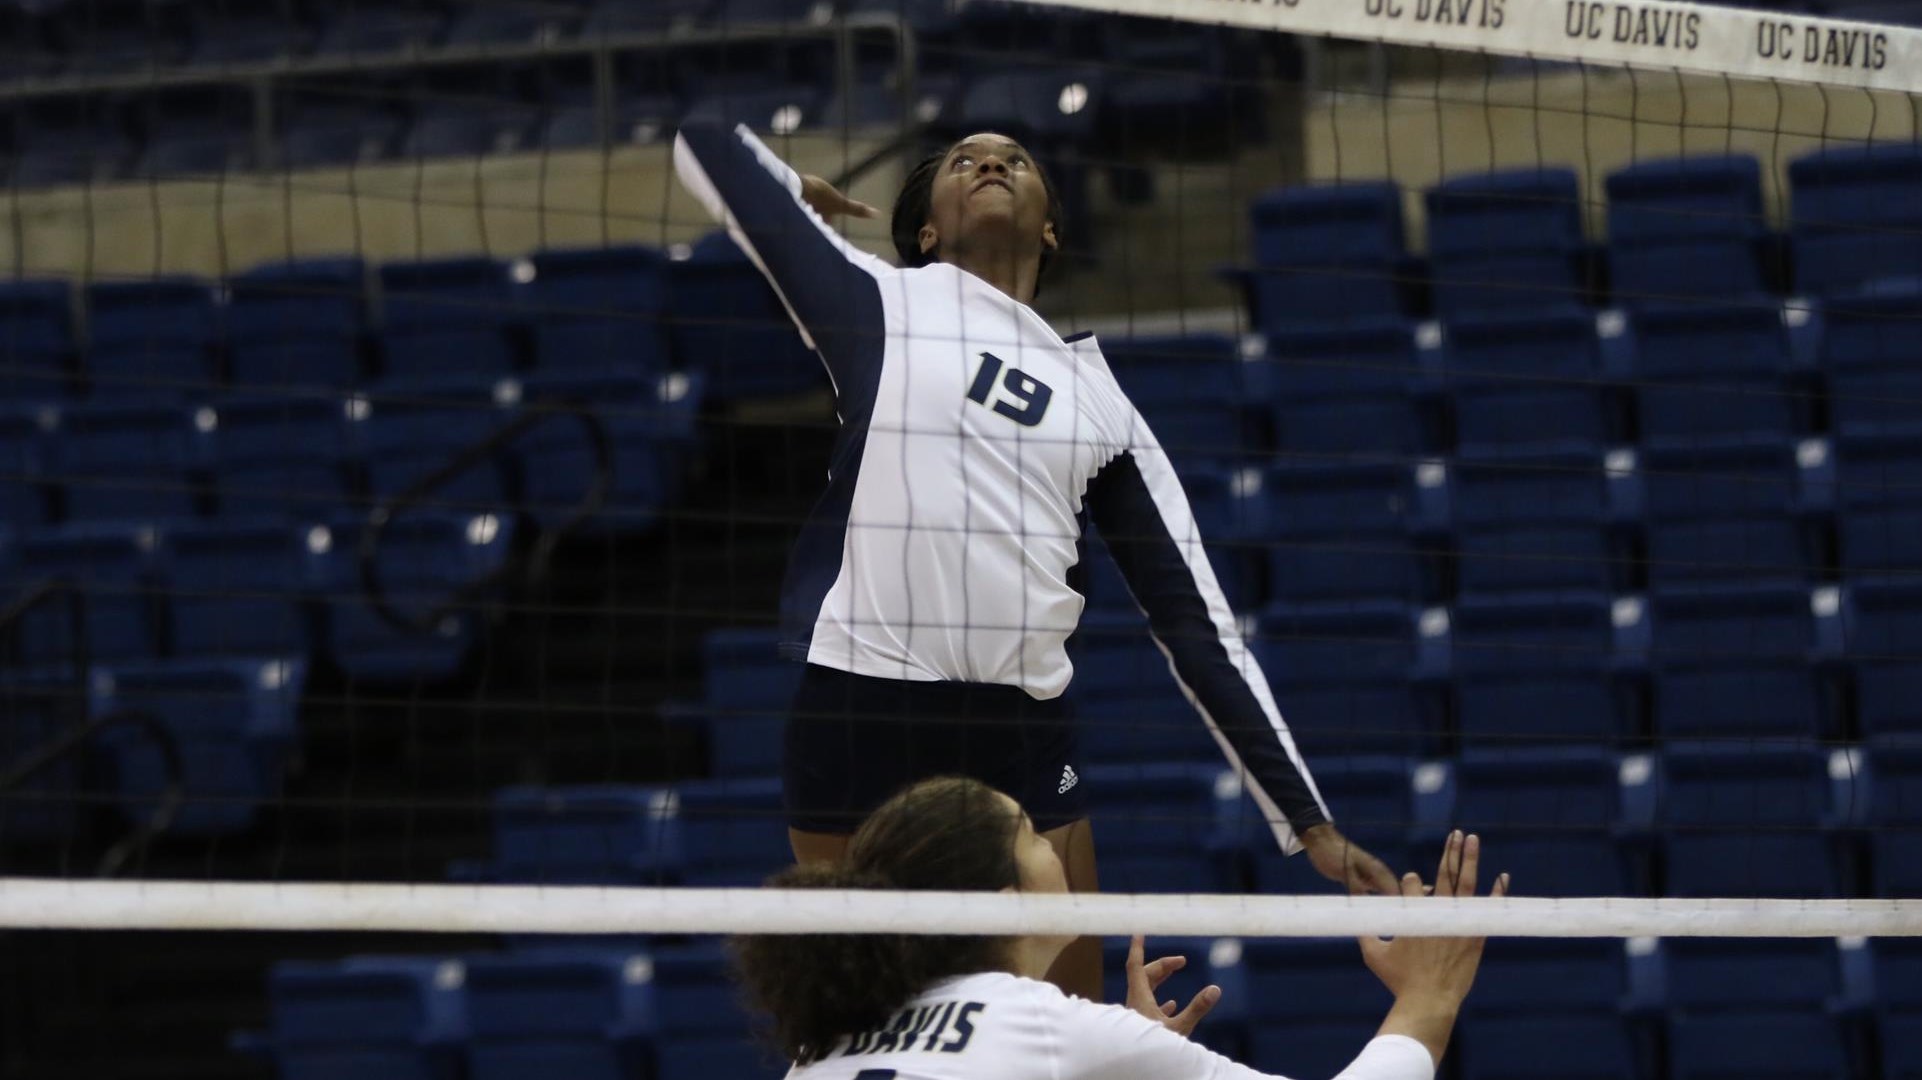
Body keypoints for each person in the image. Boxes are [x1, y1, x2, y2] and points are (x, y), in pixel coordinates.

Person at [672, 118, 1400, 998]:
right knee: (848, 1015)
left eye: (1016, 158)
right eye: (962, 159)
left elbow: (1194, 621)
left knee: (1071, 1027)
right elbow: (705, 142)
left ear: (1051, 224)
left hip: (1018, 732)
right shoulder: (874, 301)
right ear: (926, 228)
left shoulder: (1102, 401)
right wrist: (789, 185)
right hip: (861, 712)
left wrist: (1309, 821)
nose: (990, 162)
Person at [733, 775, 1509, 1080]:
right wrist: (1426, 1001)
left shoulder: (818, 1048)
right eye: (1032, 832)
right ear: (1001, 896)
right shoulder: (1044, 1023)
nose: (1054, 843)